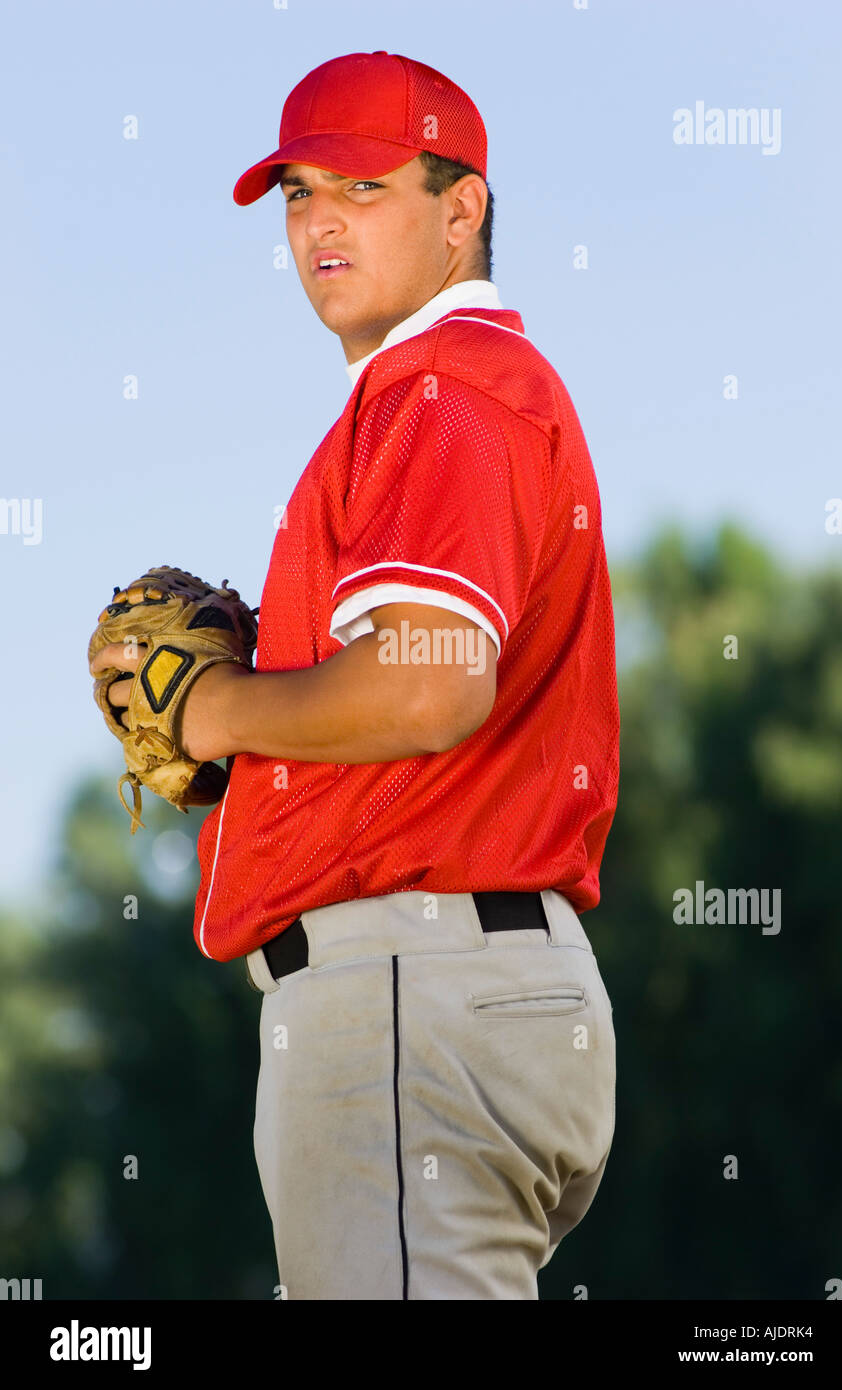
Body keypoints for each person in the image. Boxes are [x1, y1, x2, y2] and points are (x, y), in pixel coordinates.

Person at [98, 50, 620, 1301]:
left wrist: (213, 709)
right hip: (449, 992)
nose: (319, 222)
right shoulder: (454, 392)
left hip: (408, 993)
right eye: (298, 193)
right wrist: (271, 725)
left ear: (460, 209)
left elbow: (432, 683)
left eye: (364, 186)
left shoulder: (441, 388)